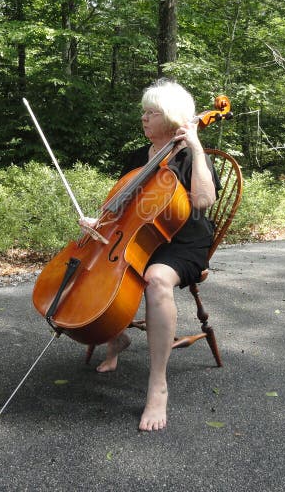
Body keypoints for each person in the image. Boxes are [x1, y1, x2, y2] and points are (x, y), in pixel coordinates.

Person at [80, 79, 220, 431]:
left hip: (184, 242)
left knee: (155, 278)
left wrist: (197, 147)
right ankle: (114, 336)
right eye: (143, 112)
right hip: (139, 237)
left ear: (172, 117)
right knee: (95, 269)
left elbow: (204, 201)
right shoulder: (136, 157)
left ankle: (158, 385)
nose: (143, 117)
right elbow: (122, 209)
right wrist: (99, 222)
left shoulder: (190, 156)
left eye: (151, 112)